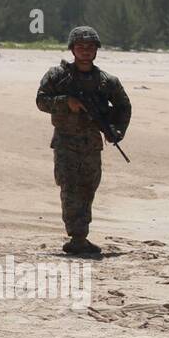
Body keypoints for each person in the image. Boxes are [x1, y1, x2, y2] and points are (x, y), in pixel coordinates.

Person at [35, 26, 132, 257]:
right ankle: (77, 237)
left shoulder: (107, 81)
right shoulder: (57, 76)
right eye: (80, 47)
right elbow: (41, 100)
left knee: (88, 187)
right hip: (65, 142)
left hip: (92, 143)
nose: (85, 51)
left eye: (90, 47)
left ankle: (81, 235)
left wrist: (116, 131)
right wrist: (65, 102)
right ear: (72, 49)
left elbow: (123, 107)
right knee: (69, 187)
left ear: (96, 50)